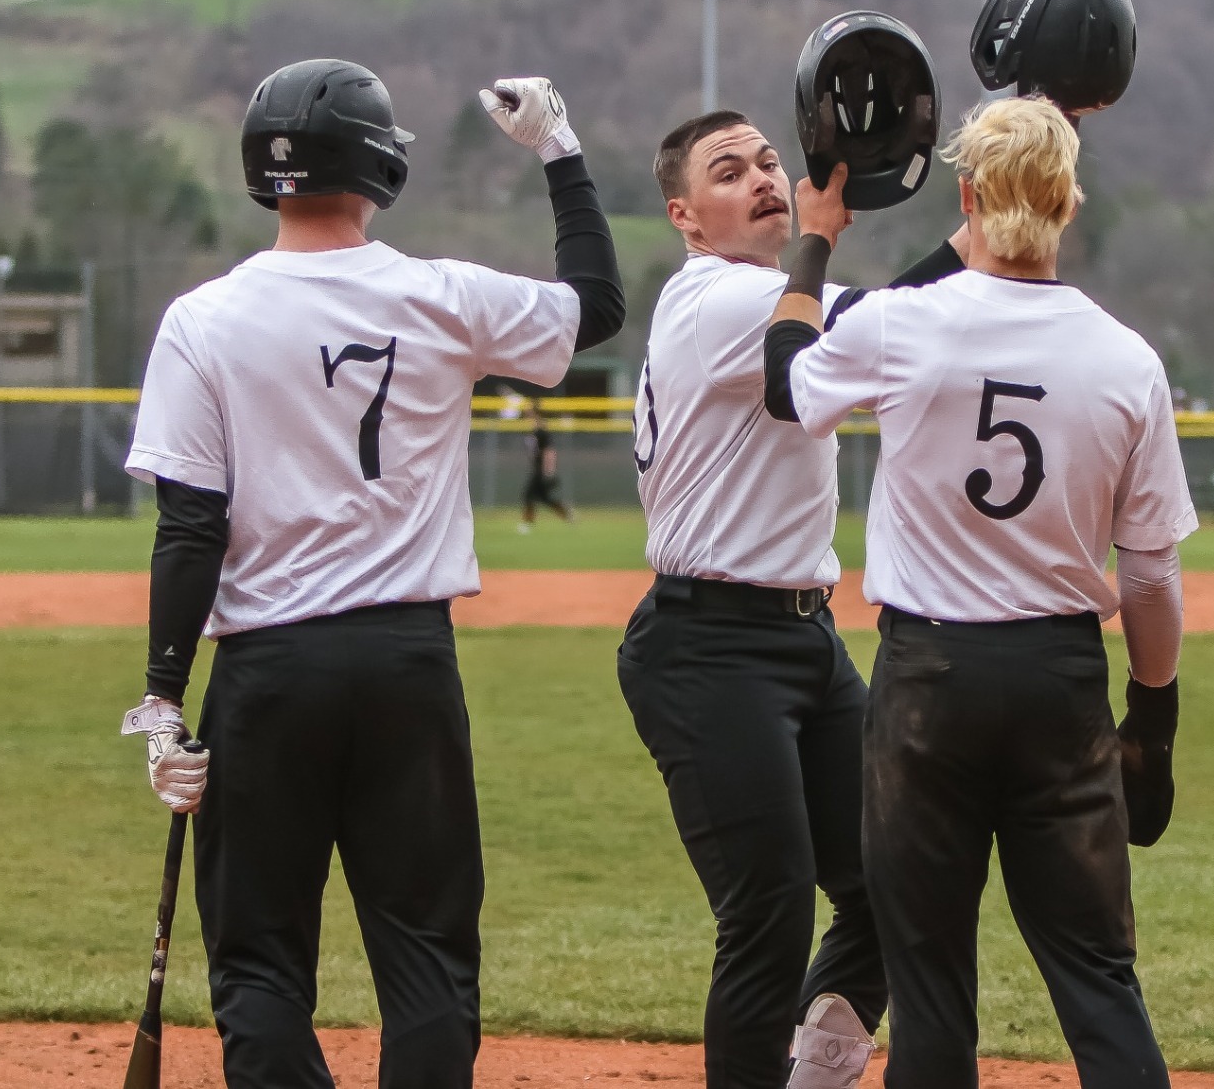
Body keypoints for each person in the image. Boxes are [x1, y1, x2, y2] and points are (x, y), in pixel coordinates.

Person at [118, 59, 624, 1089]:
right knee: (428, 959)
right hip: (406, 667)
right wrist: (558, 150)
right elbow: (597, 308)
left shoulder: (203, 318)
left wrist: (165, 699)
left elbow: (188, 528)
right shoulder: (439, 294)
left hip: (268, 673)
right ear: (376, 161)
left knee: (258, 968)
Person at [765, 96, 1198, 1089]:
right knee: (1096, 976)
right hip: (1058, 680)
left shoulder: (898, 325)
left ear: (966, 196)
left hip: (928, 683)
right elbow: (1148, 571)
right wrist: (1155, 715)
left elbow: (788, 384)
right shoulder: (1125, 359)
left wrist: (813, 246)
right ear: (1067, 204)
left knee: (928, 985)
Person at [618, 109, 890, 1089]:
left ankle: (809, 1078)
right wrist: (828, 233)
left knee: (888, 883)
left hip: (806, 636)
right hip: (708, 646)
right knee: (767, 911)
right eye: (729, 172)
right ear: (686, 217)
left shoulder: (776, 296)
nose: (765, 177)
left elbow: (894, 321)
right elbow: (900, 325)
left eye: (770, 161)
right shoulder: (720, 299)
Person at [518, 400, 573, 531]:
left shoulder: (542, 430)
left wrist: (549, 470)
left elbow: (549, 451)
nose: (527, 413)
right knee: (545, 498)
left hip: (540, 469)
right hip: (536, 467)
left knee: (528, 495)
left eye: (530, 411)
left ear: (536, 413)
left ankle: (527, 523)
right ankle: (567, 514)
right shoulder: (534, 429)